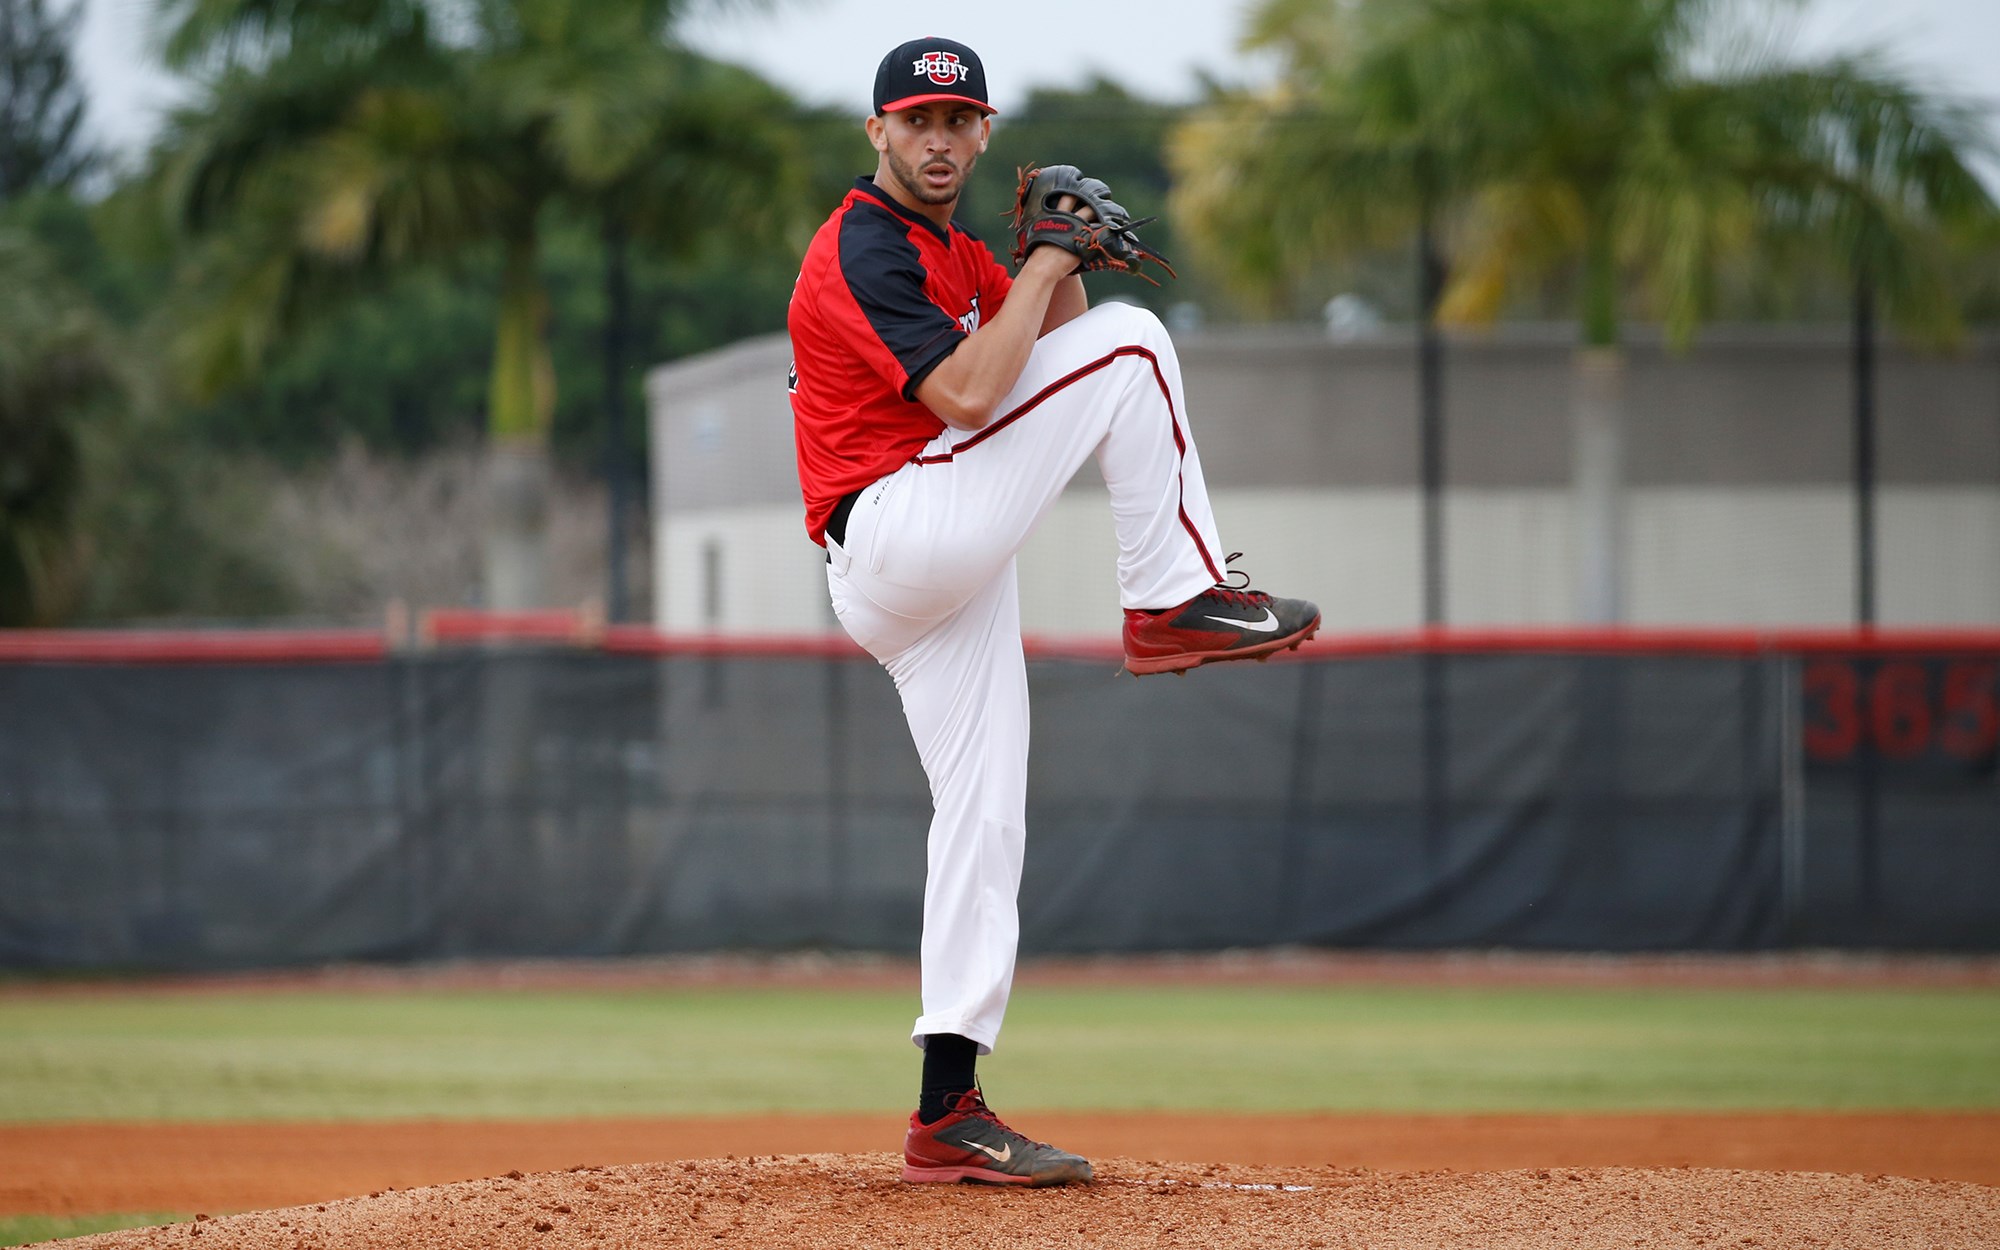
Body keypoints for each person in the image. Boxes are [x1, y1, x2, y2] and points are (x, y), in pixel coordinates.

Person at [785, 36, 1320, 1188]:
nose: (937, 139)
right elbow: (974, 392)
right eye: (915, 120)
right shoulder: (865, 247)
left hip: (929, 559)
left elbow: (1049, 341)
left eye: (957, 120)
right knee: (1137, 347)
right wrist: (1037, 269)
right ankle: (1170, 598)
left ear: (983, 134)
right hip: (896, 524)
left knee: (983, 818)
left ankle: (947, 1104)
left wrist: (1060, 254)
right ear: (874, 132)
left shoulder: (959, 250)